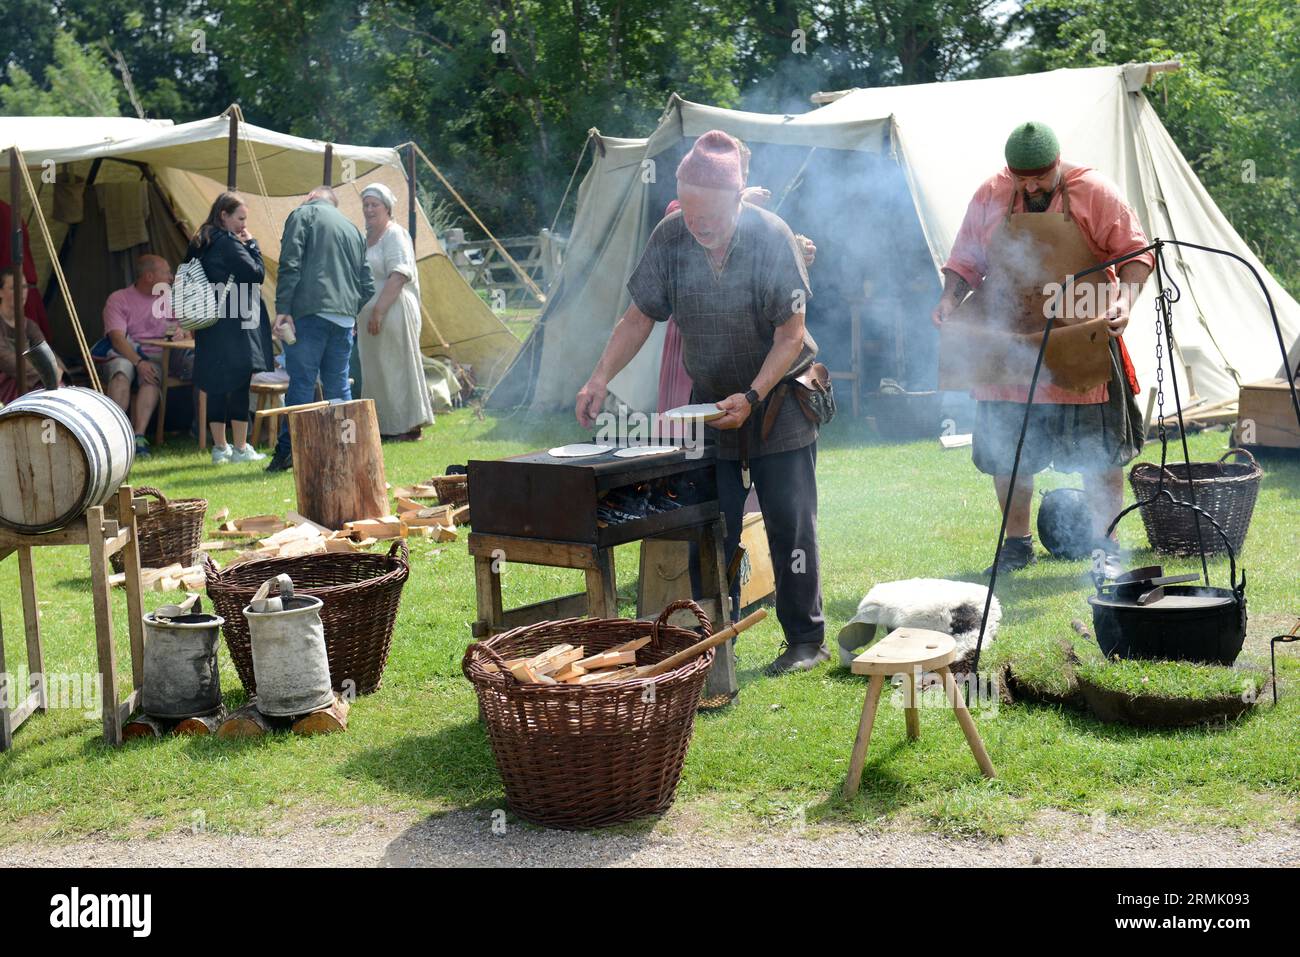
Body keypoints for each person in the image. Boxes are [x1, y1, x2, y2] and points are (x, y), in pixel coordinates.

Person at [576, 130, 829, 675]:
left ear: (738, 197)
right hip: (709, 408)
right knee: (708, 526)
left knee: (790, 524)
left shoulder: (772, 237)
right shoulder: (671, 237)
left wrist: (753, 394)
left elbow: (791, 334)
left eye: (709, 213)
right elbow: (639, 316)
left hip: (779, 399)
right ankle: (712, 639)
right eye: (688, 210)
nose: (698, 223)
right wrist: (599, 377)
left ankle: (806, 640)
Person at [931, 121, 1153, 575]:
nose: (1030, 187)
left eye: (1040, 177)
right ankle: (1016, 546)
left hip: (1081, 340)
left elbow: (1136, 254)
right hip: (1010, 345)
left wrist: (1124, 302)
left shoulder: (1094, 191)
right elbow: (965, 260)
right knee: (1008, 453)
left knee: (1101, 453)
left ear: (1057, 163)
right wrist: (950, 299)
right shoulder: (990, 194)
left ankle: (1105, 546)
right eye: (1021, 178)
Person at [268, 186, 375, 472]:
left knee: (302, 384)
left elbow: (290, 263)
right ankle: (347, 451)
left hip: (309, 313)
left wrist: (283, 309)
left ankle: (291, 453)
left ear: (311, 197)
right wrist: (349, 310)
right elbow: (368, 285)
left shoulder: (303, 214)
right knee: (339, 388)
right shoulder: (352, 228)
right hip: (343, 319)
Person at [183, 192, 274, 464]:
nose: (244, 225)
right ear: (224, 215)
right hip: (235, 324)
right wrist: (253, 245)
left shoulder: (200, 241)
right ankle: (241, 448)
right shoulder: (228, 243)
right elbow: (256, 274)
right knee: (239, 384)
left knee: (215, 384)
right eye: (240, 218)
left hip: (208, 322)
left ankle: (220, 448)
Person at [358, 183, 434, 440]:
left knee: (397, 367)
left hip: (393, 310)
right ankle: (384, 426)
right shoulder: (367, 238)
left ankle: (408, 426)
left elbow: (399, 275)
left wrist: (378, 311)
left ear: (387, 208)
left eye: (374, 205)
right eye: (366, 205)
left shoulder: (395, 235)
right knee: (377, 371)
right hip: (371, 315)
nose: (369, 209)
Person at [101, 254, 183, 457]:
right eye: (166, 273)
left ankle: (138, 436)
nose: (171, 277)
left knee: (151, 375)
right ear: (149, 277)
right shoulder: (119, 299)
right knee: (121, 372)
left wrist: (182, 332)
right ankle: (116, 436)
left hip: (157, 356)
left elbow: (186, 328)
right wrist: (138, 362)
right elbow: (117, 338)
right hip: (125, 353)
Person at [1, 270, 64, 405]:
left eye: (24, 287)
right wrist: (46, 372)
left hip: (32, 379)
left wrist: (57, 368)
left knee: (59, 388)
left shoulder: (29, 325)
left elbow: (45, 350)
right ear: (0, 292)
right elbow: (5, 359)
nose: (21, 292)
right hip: (7, 386)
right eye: (14, 288)